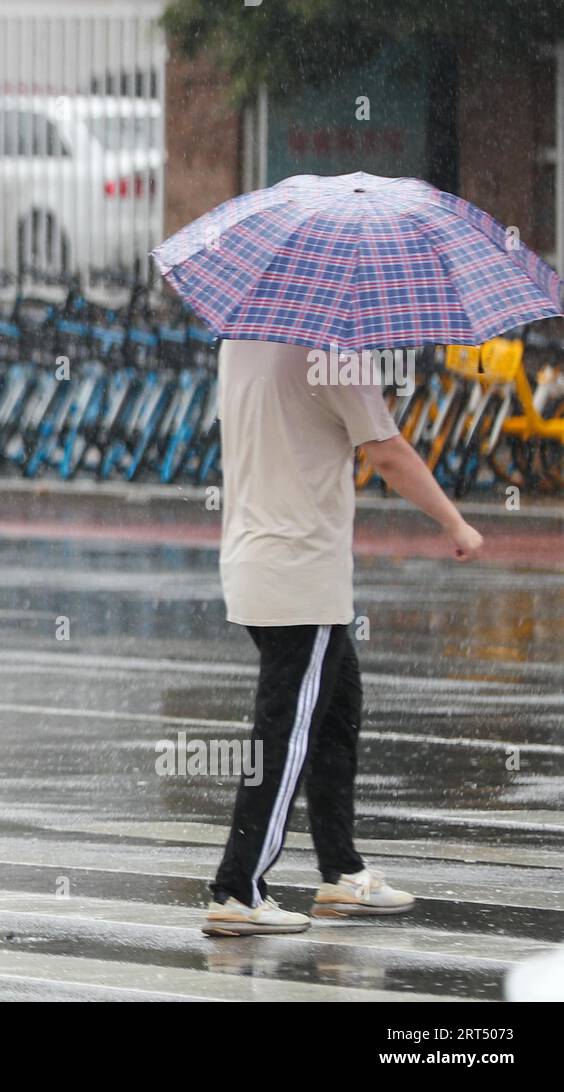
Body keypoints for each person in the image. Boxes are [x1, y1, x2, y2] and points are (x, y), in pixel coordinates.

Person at [203, 340, 484, 937]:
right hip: (302, 575)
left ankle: (342, 872)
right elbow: (388, 454)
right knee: (285, 734)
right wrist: (454, 521)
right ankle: (238, 888)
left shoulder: (239, 344)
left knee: (335, 712)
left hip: (257, 561)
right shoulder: (331, 354)